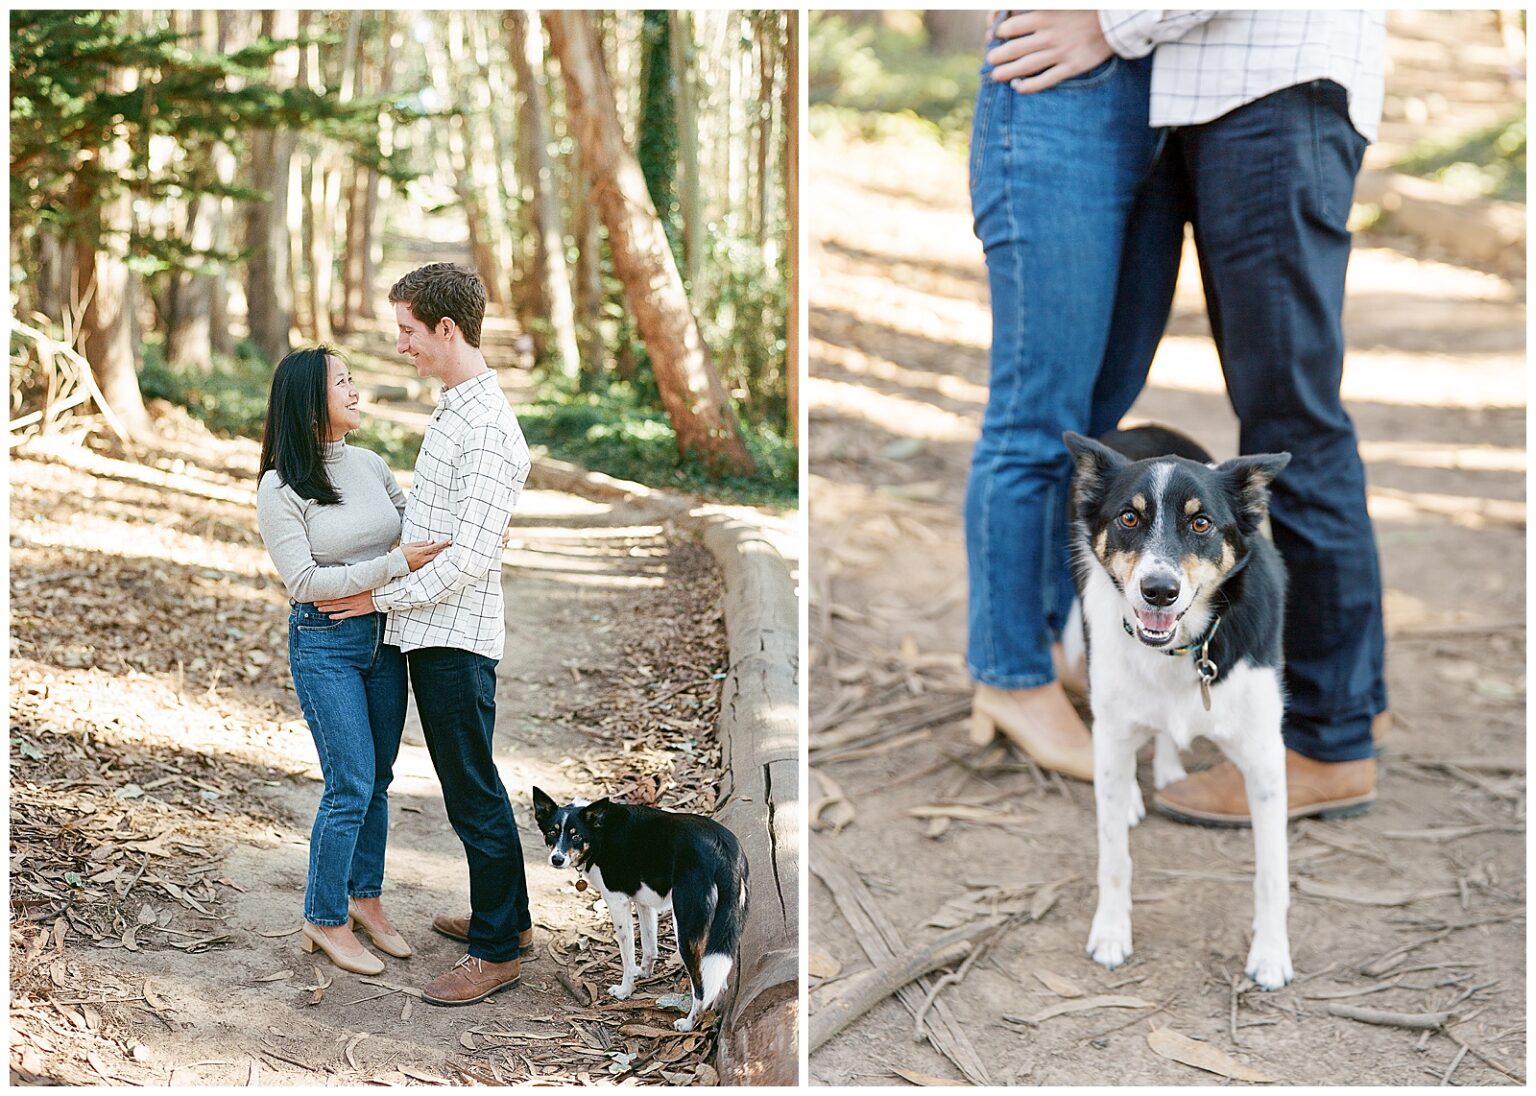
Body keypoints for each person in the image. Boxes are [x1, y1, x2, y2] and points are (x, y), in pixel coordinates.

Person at [991, 10, 1390, 822]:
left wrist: (1111, 22)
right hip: (1220, 96)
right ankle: (1349, 699)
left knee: (1293, 428)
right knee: (1292, 418)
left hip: (1274, 88)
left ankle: (1328, 747)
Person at [315, 263, 534, 1005]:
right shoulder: (453, 409)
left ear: (447, 329)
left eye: (408, 330)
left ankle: (498, 949)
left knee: (471, 790)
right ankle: (511, 917)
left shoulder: (490, 429)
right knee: (466, 784)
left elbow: (470, 557)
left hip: (455, 636)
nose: (401, 345)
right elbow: (425, 527)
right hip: (427, 626)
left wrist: (378, 593)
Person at [964, 11, 1166, 781]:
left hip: (1168, 101)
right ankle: (1009, 674)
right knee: (1037, 423)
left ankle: (1046, 640)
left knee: (1095, 425)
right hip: (1062, 91)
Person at [256, 347, 451, 974]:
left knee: (380, 780)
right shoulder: (280, 486)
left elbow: (411, 528)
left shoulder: (368, 463)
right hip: (325, 644)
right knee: (349, 785)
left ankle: (365, 898)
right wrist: (392, 569)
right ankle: (323, 915)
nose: (356, 390)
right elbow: (305, 581)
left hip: (384, 639)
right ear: (311, 401)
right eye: (343, 381)